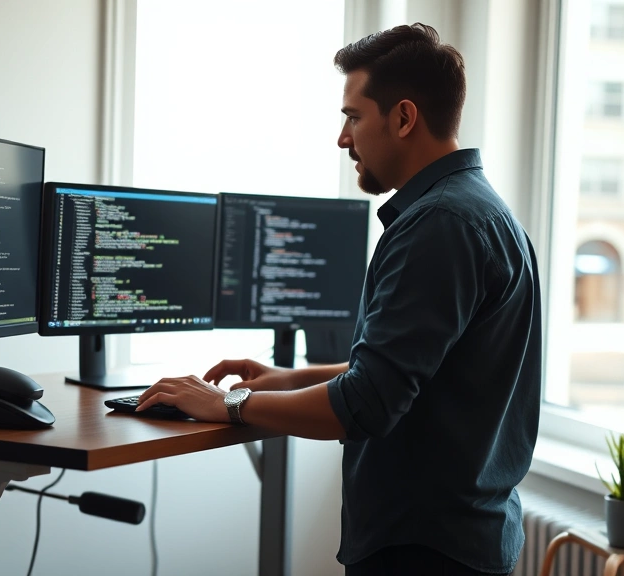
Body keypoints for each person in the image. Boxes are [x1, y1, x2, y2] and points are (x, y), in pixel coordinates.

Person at [137, 22, 541, 576]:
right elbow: (412, 370)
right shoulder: (479, 209)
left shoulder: (437, 226)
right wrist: (284, 377)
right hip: (462, 535)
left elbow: (367, 404)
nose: (343, 139)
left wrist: (227, 404)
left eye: (353, 116)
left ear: (403, 117)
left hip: (424, 550)